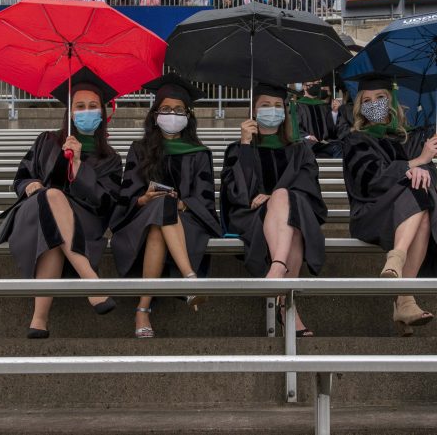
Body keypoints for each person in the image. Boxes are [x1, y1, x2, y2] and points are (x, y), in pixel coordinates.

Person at [0, 76, 122, 338]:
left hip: (83, 220)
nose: (86, 112)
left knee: (52, 237)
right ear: (70, 112)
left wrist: (77, 165)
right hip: (36, 211)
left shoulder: (110, 158)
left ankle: (39, 320)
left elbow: (106, 203)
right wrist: (29, 185)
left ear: (103, 111)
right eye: (80, 106)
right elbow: (21, 178)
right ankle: (92, 283)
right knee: (51, 197)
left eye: (92, 106)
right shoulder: (47, 141)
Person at [111, 74, 220, 338]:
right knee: (159, 209)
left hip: (186, 222)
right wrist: (144, 199)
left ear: (188, 115)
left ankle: (143, 309)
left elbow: (204, 199)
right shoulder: (139, 149)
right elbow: (128, 197)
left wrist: (182, 203)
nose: (172, 114)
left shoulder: (199, 153)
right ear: (155, 113)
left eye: (179, 110)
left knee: (163, 215)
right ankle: (190, 279)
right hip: (140, 219)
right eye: (166, 109)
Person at [340, 73, 437, 335]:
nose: (373, 103)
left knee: (422, 193)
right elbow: (369, 180)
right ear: (359, 107)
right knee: (419, 197)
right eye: (367, 100)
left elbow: (429, 174)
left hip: (410, 213)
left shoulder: (409, 138)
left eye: (380, 98)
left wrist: (426, 162)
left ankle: (398, 270)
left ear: (391, 100)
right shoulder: (356, 140)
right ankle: (404, 295)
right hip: (372, 214)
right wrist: (414, 163)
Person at [220, 84, 327, 337]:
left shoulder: (300, 149)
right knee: (292, 218)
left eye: (278, 105)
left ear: (286, 111)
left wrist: (274, 197)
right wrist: (246, 144)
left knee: (287, 202)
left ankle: (278, 274)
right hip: (252, 216)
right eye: (265, 105)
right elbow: (239, 196)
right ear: (253, 111)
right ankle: (288, 305)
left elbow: (308, 188)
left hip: (290, 212)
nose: (273, 110)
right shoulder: (238, 148)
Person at [294, 80, 342, 158]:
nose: (315, 85)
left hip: (325, 143)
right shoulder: (297, 106)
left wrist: (335, 112)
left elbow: (332, 129)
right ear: (304, 87)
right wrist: (307, 136)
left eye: (317, 83)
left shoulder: (323, 106)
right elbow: (295, 127)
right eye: (312, 83)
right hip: (307, 144)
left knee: (340, 145)